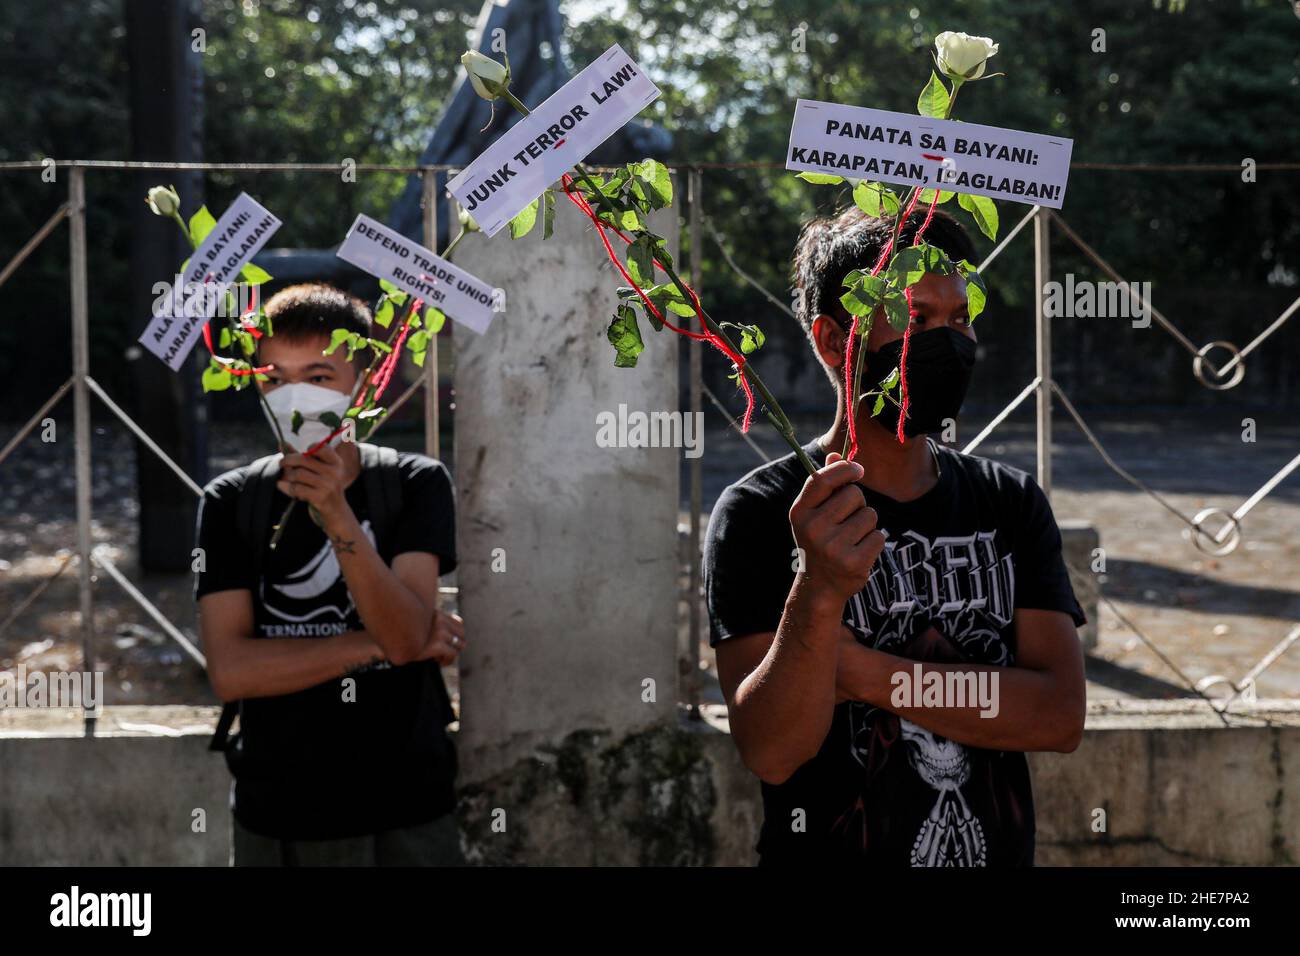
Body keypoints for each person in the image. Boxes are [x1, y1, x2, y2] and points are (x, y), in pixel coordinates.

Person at [704, 205, 1086, 867]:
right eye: (915, 319)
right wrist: (817, 593)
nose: (950, 342)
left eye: (959, 320)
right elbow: (771, 751)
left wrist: (865, 674)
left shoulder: (1008, 502)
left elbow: (1057, 715)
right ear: (833, 342)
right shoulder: (765, 514)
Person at [195, 282, 466, 866]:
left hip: (406, 809)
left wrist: (336, 514)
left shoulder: (414, 485)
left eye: (319, 378)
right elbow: (232, 671)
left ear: (364, 384)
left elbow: (408, 638)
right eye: (275, 378)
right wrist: (383, 644)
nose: (295, 398)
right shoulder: (231, 501)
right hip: (280, 815)